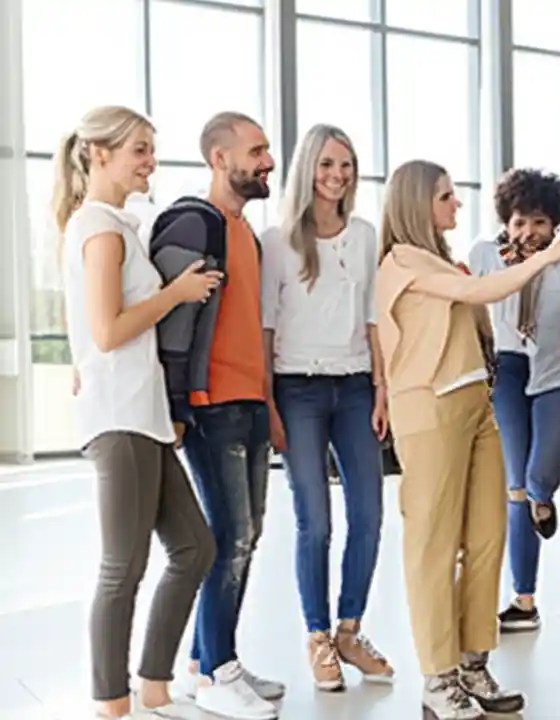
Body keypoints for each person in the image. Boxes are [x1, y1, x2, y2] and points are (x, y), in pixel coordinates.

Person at [374, 160, 560, 719]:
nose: (457, 203)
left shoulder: (444, 259)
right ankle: (438, 678)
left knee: (488, 537)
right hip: (430, 409)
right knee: (434, 547)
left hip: (475, 405)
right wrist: (547, 257)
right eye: (446, 196)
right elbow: (480, 290)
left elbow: (479, 316)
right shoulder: (402, 261)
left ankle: (473, 662)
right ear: (419, 204)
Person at [55, 105, 219, 720]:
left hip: (141, 415)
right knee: (122, 566)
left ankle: (153, 684)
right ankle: (112, 703)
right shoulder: (99, 227)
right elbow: (107, 331)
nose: (151, 161)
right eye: (140, 150)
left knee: (194, 547)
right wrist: (176, 294)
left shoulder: (114, 225)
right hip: (119, 416)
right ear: (100, 154)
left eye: (152, 149)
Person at [149, 111, 282, 720]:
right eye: (256, 151)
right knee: (230, 538)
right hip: (212, 406)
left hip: (248, 403)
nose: (267, 162)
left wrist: (268, 404)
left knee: (246, 535)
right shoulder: (193, 222)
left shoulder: (246, 234)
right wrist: (179, 405)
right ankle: (216, 673)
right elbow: (173, 325)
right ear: (219, 158)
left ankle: (210, 660)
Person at [261, 123, 393, 691]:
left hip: (356, 386)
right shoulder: (277, 241)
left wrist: (382, 387)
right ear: (307, 169)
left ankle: (349, 630)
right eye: (327, 164)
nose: (338, 175)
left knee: (370, 515)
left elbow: (374, 317)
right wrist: (268, 402)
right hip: (297, 390)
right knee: (314, 521)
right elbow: (266, 326)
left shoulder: (363, 235)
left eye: (346, 165)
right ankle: (317, 635)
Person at [467, 168, 560, 632]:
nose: (528, 232)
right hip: (509, 370)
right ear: (505, 221)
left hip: (559, 373)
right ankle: (524, 601)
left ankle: (543, 497)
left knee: (538, 477)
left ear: (555, 224)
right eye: (519, 222)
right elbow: (467, 306)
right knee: (516, 486)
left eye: (539, 222)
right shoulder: (485, 254)